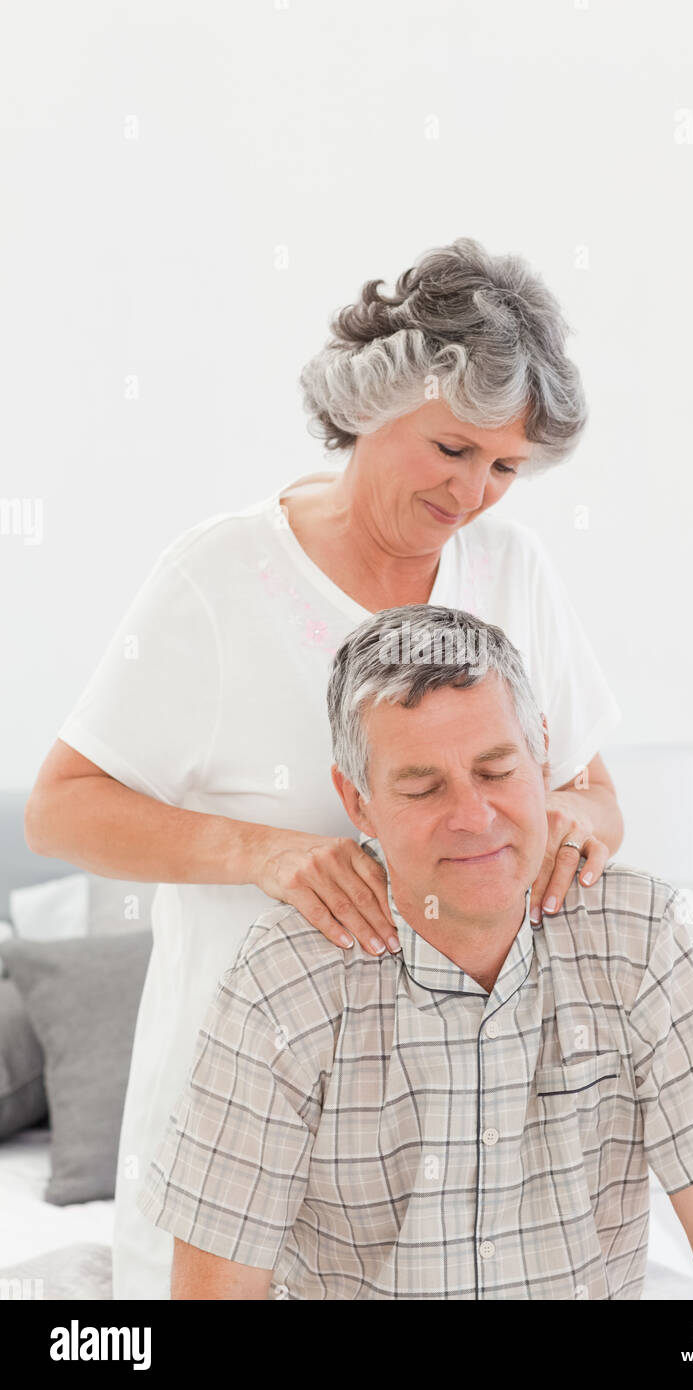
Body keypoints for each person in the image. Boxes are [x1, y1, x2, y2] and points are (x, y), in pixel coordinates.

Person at [24, 237, 624, 1300]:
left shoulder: (512, 572)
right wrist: (266, 853)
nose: (474, 492)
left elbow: (592, 794)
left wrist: (566, 830)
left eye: (501, 469)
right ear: (371, 400)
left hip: (458, 1139)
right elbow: (60, 812)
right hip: (243, 1123)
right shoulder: (221, 579)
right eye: (451, 449)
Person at [138, 606, 693, 1300]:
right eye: (423, 787)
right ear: (359, 802)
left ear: (542, 756)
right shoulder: (282, 981)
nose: (474, 818)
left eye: (496, 771)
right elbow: (218, 1292)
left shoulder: (645, 937)